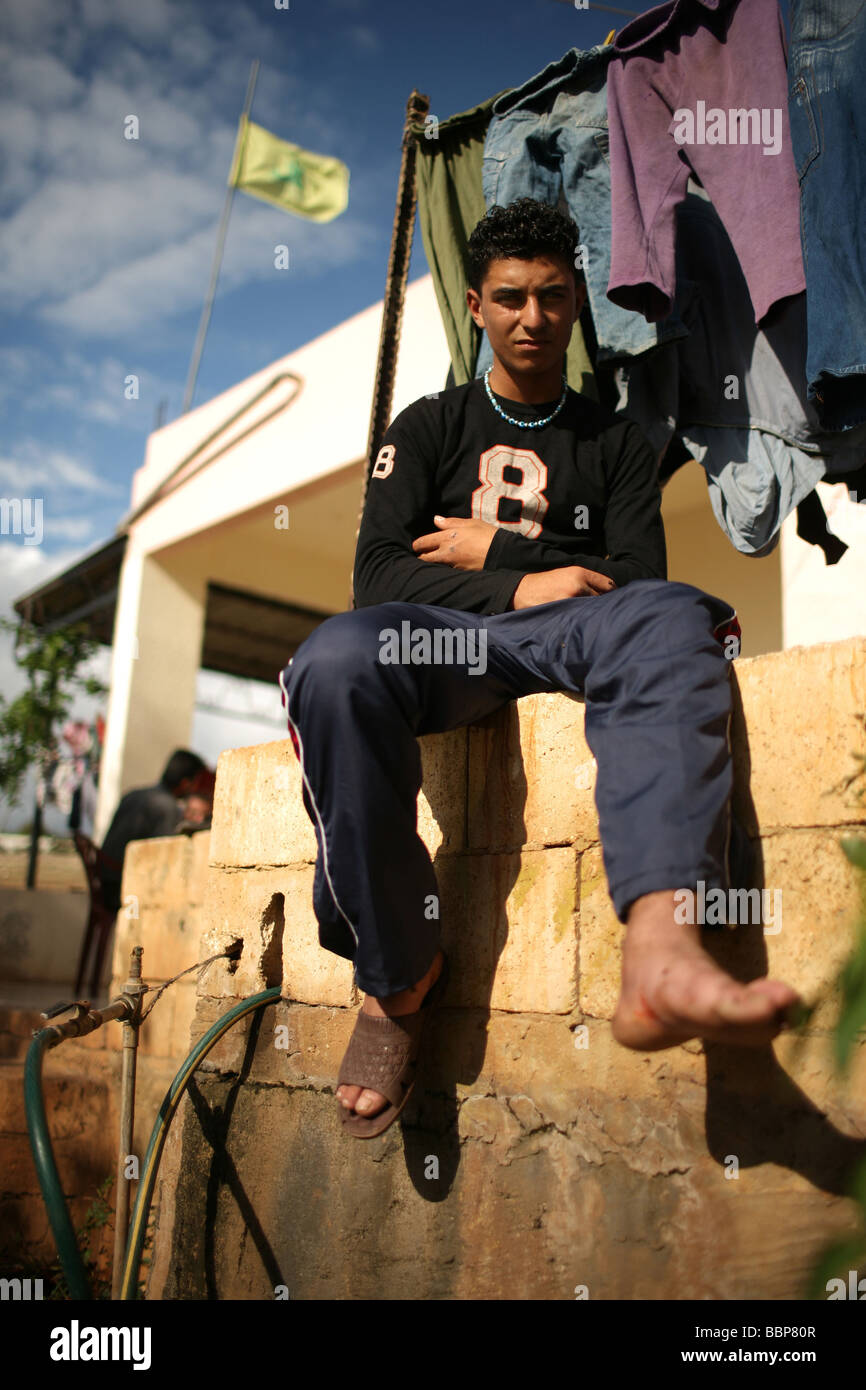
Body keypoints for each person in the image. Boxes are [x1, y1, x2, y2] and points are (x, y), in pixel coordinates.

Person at [279, 198, 800, 1140]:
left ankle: (663, 937)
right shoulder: (430, 424)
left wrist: (499, 554)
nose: (532, 318)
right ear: (476, 306)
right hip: (446, 642)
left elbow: (638, 582)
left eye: (552, 298)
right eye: (511, 297)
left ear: (574, 306)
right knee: (335, 657)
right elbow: (379, 577)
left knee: (675, 614)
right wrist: (522, 582)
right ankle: (397, 980)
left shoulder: (618, 444)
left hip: (575, 634)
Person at [99, 749, 208, 912]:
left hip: (103, 880)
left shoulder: (134, 794)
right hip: (126, 892)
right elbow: (164, 861)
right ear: (185, 783)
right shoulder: (166, 808)